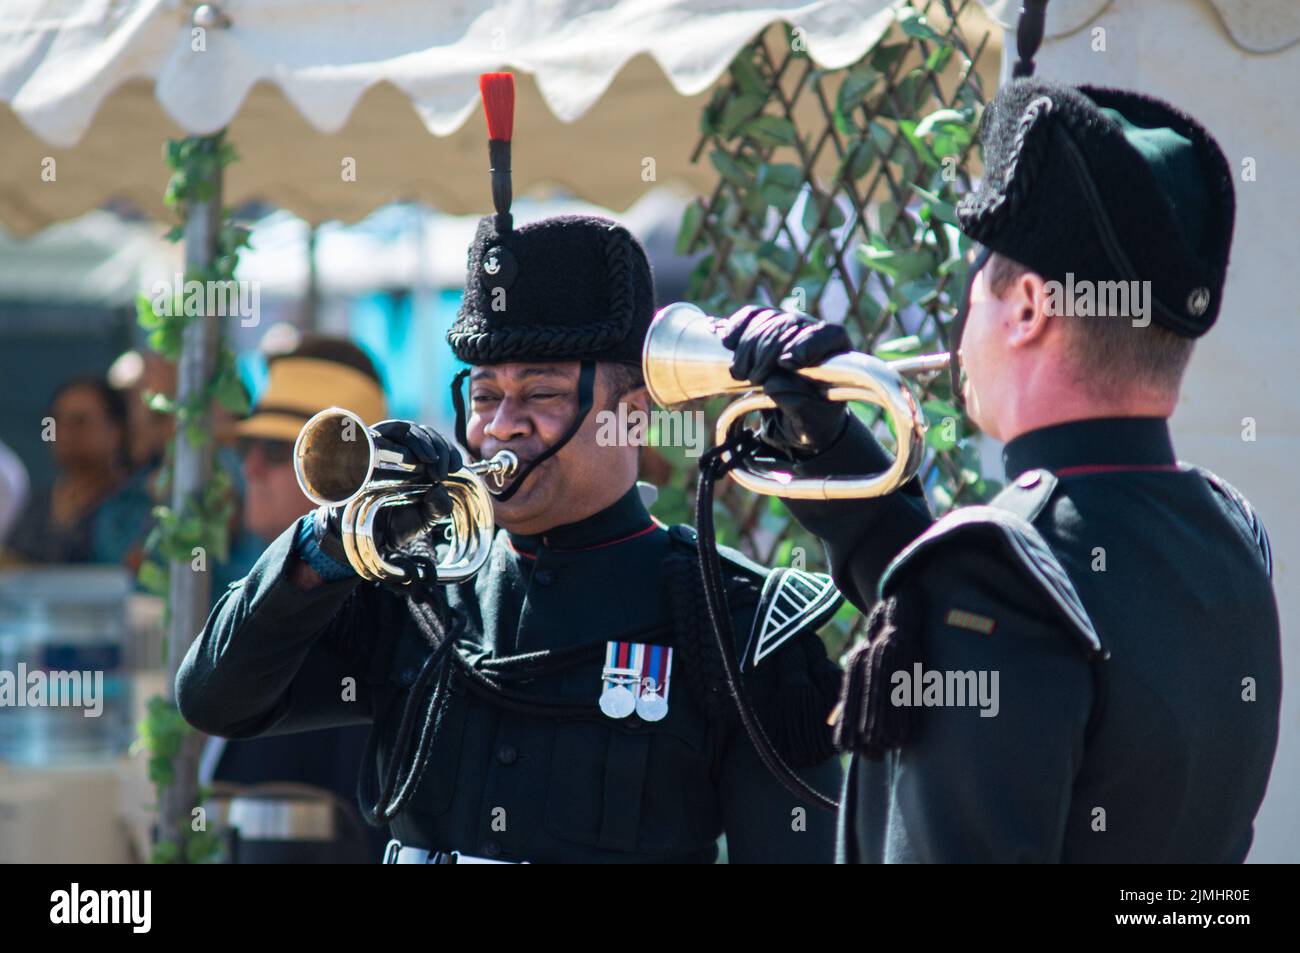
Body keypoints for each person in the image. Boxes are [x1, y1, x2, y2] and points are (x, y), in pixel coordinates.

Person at [175, 72, 845, 863]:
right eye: (484, 394)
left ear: (631, 404)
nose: (502, 425)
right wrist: (330, 543)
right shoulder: (420, 587)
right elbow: (215, 697)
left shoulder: (732, 620)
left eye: (544, 393)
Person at [721, 78, 1281, 862]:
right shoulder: (1232, 533)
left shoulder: (994, 577)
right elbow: (1060, 608)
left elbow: (1019, 605)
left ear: (1026, 307)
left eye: (976, 278)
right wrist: (832, 448)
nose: (963, 316)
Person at [198, 334, 393, 863]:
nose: (250, 468)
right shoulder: (272, 598)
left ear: (344, 471)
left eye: (276, 451)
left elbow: (360, 832)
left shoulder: (371, 621)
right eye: (246, 448)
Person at [4, 376, 128, 564]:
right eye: (56, 421)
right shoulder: (38, 505)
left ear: (115, 430)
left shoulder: (134, 505)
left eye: (80, 422)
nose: (64, 433)